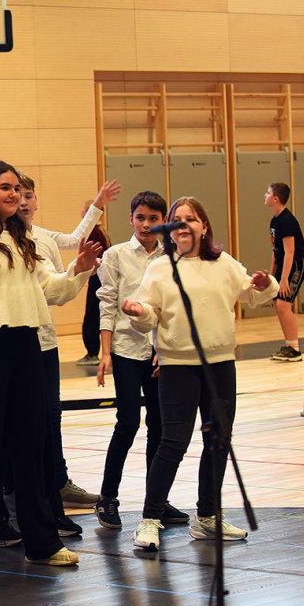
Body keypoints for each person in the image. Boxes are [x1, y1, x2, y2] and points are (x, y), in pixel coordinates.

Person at [0, 161, 101, 577]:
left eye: (17, 189)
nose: (14, 195)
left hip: (26, 343)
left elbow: (52, 290)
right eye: (5, 188)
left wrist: (79, 270)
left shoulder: (23, 236)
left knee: (32, 445)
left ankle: (42, 542)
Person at [122, 196, 277, 552]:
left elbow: (254, 296)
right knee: (172, 443)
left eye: (191, 219)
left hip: (220, 365)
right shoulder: (161, 269)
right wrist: (137, 310)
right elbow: (149, 312)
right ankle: (149, 519)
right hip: (177, 367)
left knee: (219, 442)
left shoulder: (223, 263)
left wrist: (264, 283)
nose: (184, 225)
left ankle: (207, 517)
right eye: (177, 220)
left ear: (203, 226)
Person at [18, 175, 119, 516]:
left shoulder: (43, 237)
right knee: (28, 419)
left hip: (46, 339)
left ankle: (58, 482)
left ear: (35, 200)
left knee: (52, 413)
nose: (23, 201)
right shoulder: (6, 242)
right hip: (19, 342)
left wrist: (97, 205)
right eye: (16, 194)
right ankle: (29, 489)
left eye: (28, 195)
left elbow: (74, 244)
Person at [93, 191, 186, 529]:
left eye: (154, 218)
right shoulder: (115, 256)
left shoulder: (172, 257)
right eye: (141, 217)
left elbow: (172, 307)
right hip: (126, 350)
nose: (147, 224)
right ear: (131, 219)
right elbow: (106, 303)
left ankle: (155, 502)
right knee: (128, 422)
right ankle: (107, 497)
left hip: (160, 352)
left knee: (159, 427)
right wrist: (105, 352)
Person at [264, 182, 304, 361]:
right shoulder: (274, 220)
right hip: (284, 266)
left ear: (275, 198)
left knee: (284, 305)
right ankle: (289, 345)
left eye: (267, 192)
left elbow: (290, 252)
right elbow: (276, 250)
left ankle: (295, 349)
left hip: (296, 265)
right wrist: (272, 274)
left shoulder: (287, 221)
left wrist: (284, 280)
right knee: (279, 305)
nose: (264, 195)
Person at [77, 201, 113, 366]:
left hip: (98, 275)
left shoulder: (93, 232)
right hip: (100, 275)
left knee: (92, 314)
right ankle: (93, 351)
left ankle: (92, 352)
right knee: (94, 313)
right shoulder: (101, 231)